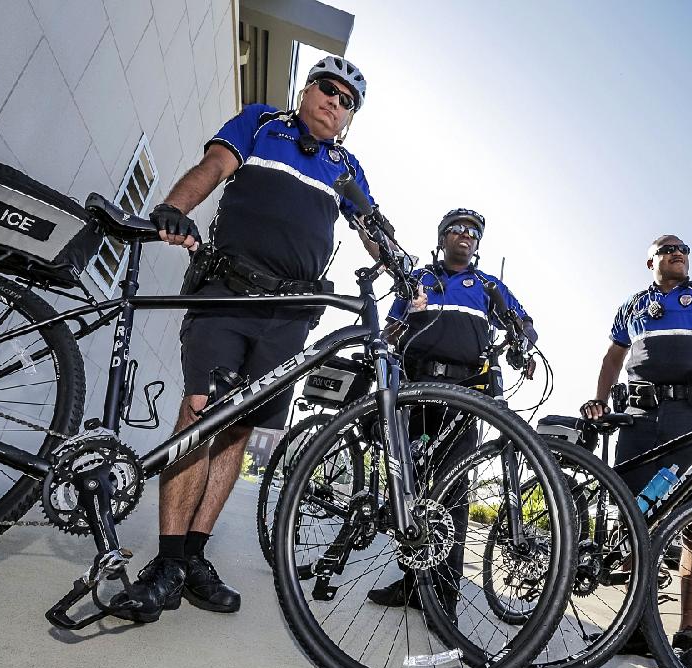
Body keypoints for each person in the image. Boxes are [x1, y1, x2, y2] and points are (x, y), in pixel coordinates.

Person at [113, 57, 374, 623]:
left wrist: (407, 273)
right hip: (226, 290)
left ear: (351, 118)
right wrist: (174, 209)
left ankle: (194, 558)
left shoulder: (346, 167)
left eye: (348, 100)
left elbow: (374, 228)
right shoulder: (261, 124)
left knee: (238, 433)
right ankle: (166, 562)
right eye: (327, 89)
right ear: (307, 91)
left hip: (290, 315)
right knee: (200, 413)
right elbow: (213, 165)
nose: (335, 101)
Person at [581, 234, 692, 668]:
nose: (677, 253)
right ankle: (636, 626)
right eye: (666, 248)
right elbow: (612, 357)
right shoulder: (633, 305)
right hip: (639, 418)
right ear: (650, 260)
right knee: (637, 520)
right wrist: (599, 400)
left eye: (683, 249)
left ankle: (687, 639)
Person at [366, 208, 537, 619]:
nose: (466, 235)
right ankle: (411, 583)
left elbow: (524, 324)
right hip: (414, 389)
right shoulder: (419, 279)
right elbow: (389, 331)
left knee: (453, 493)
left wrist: (521, 344)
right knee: (412, 490)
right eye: (457, 229)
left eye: (473, 232)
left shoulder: (488, 286)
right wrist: (405, 318)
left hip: (464, 396)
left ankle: (443, 598)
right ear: (441, 238)